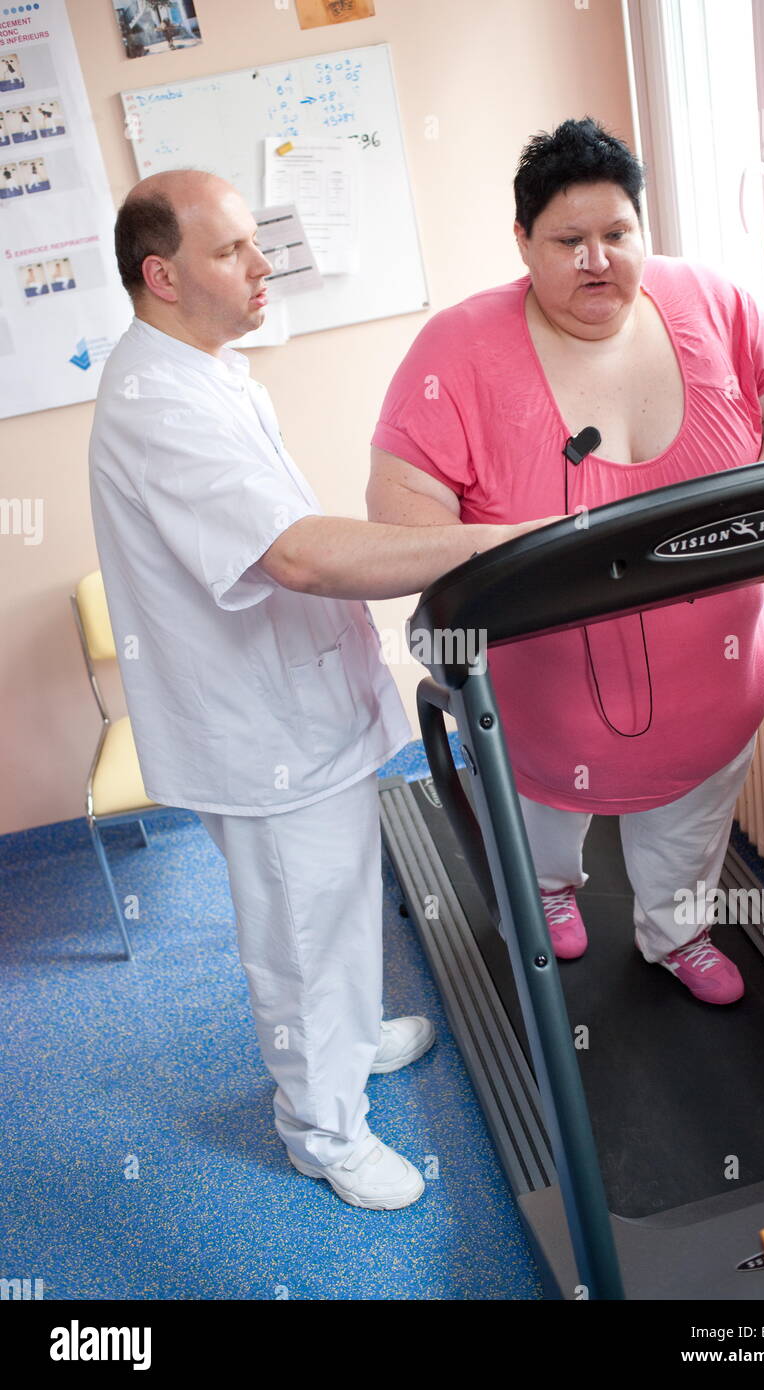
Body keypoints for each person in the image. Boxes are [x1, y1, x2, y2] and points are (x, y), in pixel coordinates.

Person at [89, 169, 557, 1211]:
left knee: (337, 903)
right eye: (233, 251)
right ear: (162, 275)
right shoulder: (158, 400)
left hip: (293, 711)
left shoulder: (206, 370)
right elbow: (297, 557)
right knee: (300, 937)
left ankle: (347, 1042)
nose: (263, 265)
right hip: (259, 734)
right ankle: (320, 1129)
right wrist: (491, 541)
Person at [367, 117, 764, 1004]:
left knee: (689, 831)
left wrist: (752, 505)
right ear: (522, 242)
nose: (598, 261)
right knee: (546, 826)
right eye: (569, 240)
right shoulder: (457, 351)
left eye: (617, 234)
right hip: (541, 710)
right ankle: (550, 891)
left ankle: (678, 933)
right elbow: (400, 512)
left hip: (713, 692)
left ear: (642, 229)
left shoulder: (711, 302)